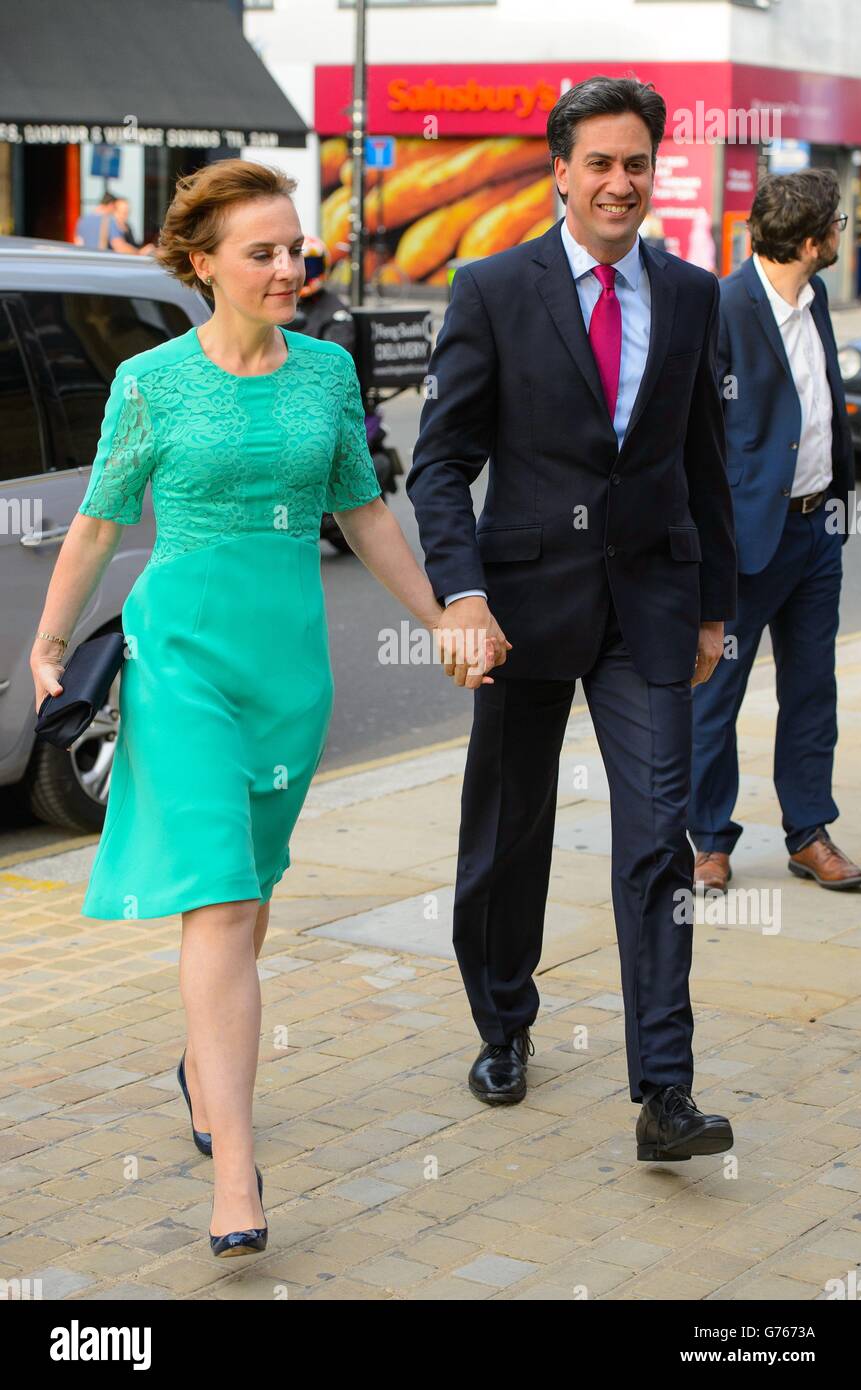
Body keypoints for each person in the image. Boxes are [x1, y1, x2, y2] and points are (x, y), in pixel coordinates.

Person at [30, 159, 472, 1257]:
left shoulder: (325, 373)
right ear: (203, 265)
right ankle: (236, 1170)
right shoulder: (150, 380)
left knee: (254, 891)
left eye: (294, 248)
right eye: (263, 252)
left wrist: (435, 616)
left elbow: (364, 513)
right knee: (219, 902)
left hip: (288, 669)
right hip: (179, 655)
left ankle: (201, 1058)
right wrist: (48, 642)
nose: (290, 267)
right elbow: (94, 523)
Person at [407, 75, 738, 1162]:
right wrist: (459, 593)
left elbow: (702, 465)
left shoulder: (691, 296)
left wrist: (713, 613)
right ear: (560, 169)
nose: (618, 182)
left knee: (659, 839)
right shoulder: (494, 287)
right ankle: (504, 1022)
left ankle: (664, 1091)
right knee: (510, 835)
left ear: (654, 171)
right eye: (598, 162)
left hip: (649, 607)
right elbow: (442, 463)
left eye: (635, 162)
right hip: (519, 607)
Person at [689, 170, 861, 892]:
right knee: (714, 692)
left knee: (811, 686)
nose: (842, 239)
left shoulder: (813, 297)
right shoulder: (723, 307)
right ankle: (707, 839)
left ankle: (807, 832)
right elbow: (694, 438)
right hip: (744, 540)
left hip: (814, 530)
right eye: (838, 227)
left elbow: (814, 406)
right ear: (812, 239)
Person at [73, 191, 146, 254]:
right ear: (110, 205)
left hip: (86, 262)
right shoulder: (109, 221)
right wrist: (139, 252)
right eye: (114, 207)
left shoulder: (82, 220)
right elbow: (118, 246)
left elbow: (78, 243)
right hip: (102, 262)